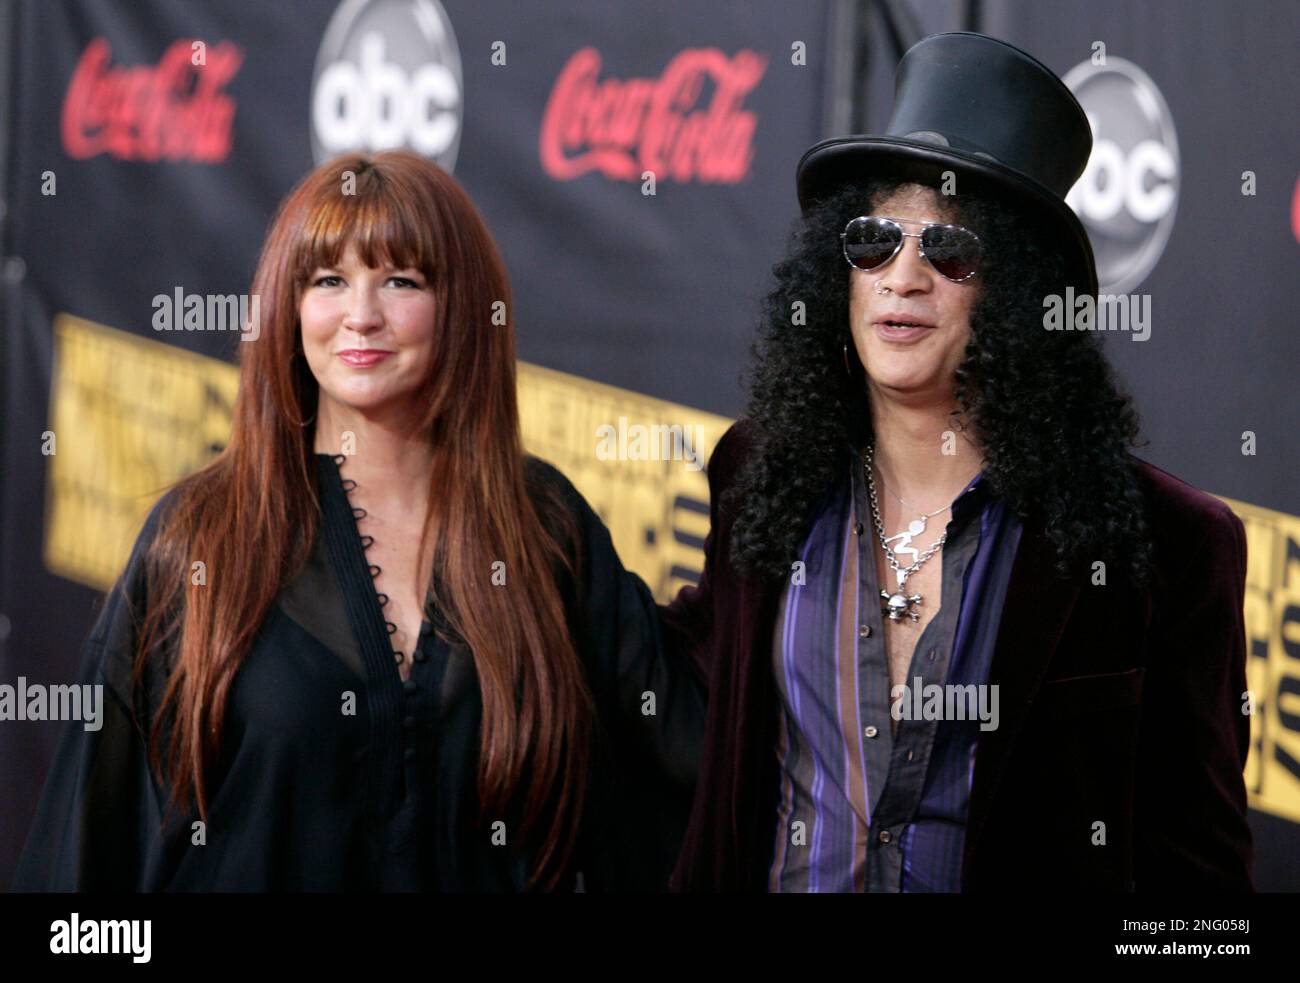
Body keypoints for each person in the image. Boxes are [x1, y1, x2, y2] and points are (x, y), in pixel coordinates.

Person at [14, 149, 705, 892]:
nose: (361, 315)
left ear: (463, 307)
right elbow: (84, 854)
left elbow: (700, 747)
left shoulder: (543, 529)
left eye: (400, 280)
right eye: (328, 280)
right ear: (291, 305)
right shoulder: (200, 537)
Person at [661, 32, 1253, 892]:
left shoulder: (1167, 547)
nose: (903, 276)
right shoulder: (762, 474)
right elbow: (680, 686)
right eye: (874, 239)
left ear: (1011, 292)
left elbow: (1200, 883)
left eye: (950, 250)